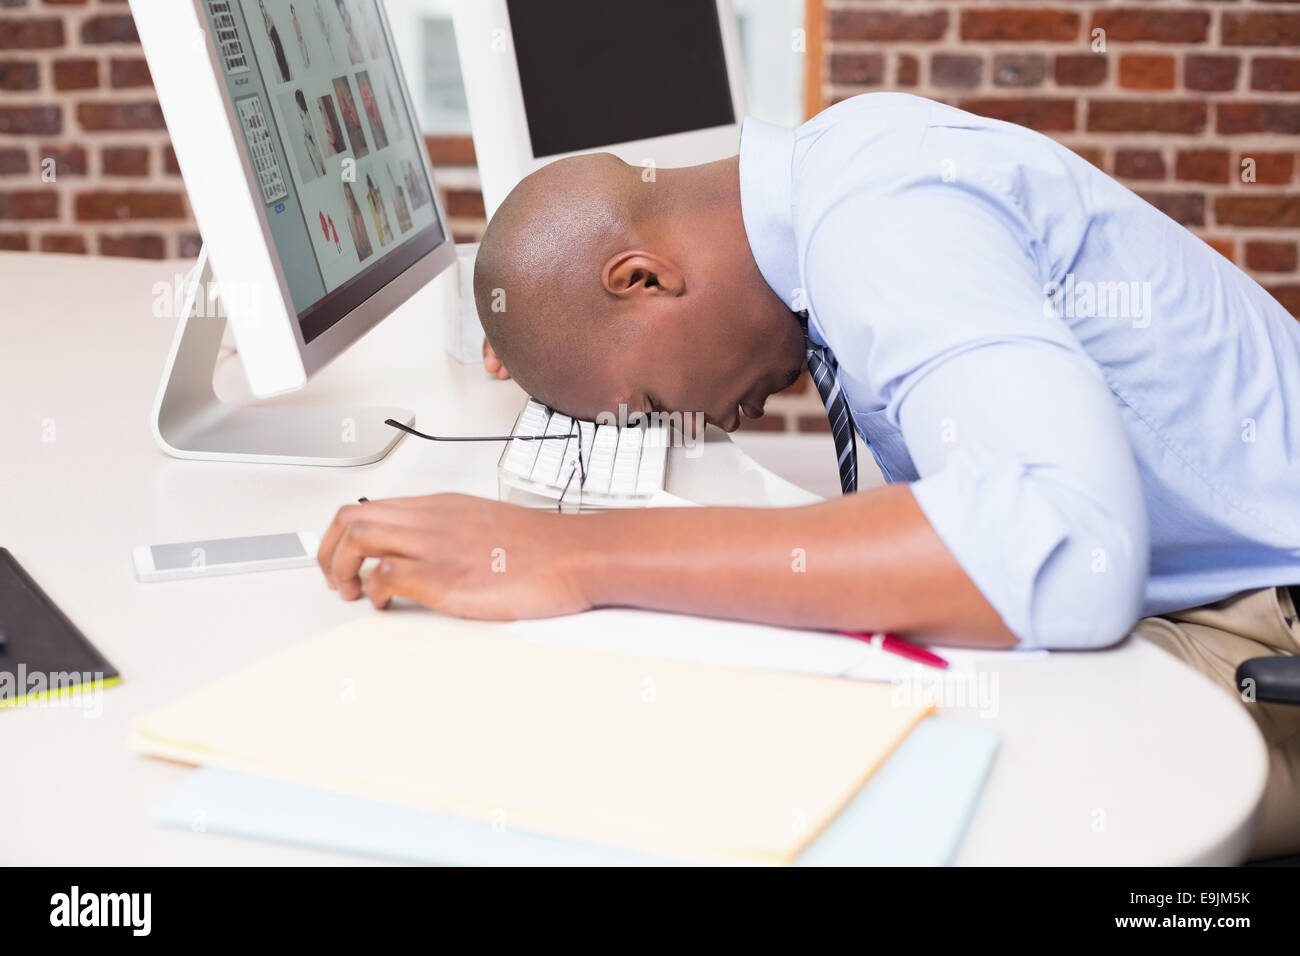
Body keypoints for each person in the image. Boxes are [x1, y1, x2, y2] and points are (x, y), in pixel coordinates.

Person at [317, 93, 1300, 858]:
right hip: (1215, 584)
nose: (692, 423)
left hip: (1266, 623)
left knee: (848, 786)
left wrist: (576, 553)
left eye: (655, 405)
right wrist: (531, 329)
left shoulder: (884, 221)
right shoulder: (841, 171)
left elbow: (1069, 554)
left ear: (643, 278)